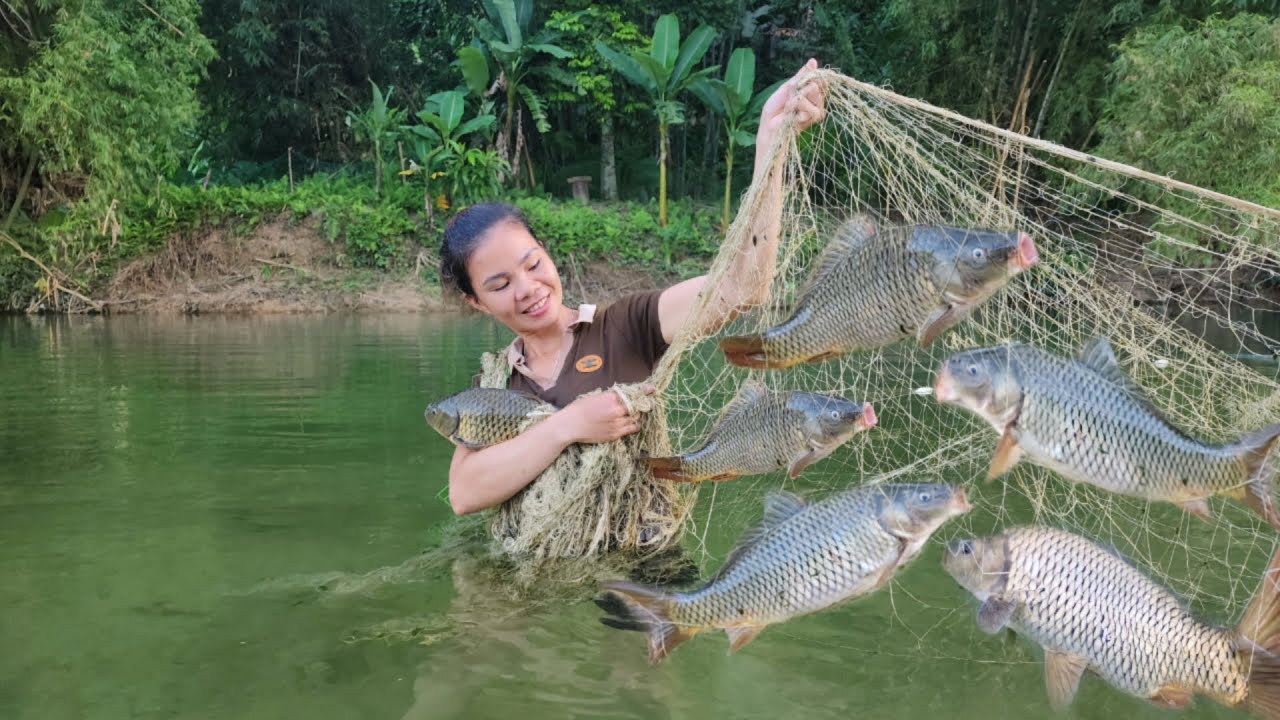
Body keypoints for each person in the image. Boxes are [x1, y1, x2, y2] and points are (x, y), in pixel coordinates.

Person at [439, 59, 827, 516]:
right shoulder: (495, 385)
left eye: (532, 264)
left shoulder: (626, 325)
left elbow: (745, 286)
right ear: (475, 301)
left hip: (645, 563)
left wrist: (771, 142)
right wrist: (569, 425)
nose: (528, 288)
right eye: (501, 284)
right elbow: (465, 494)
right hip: (546, 569)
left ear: (546, 252)